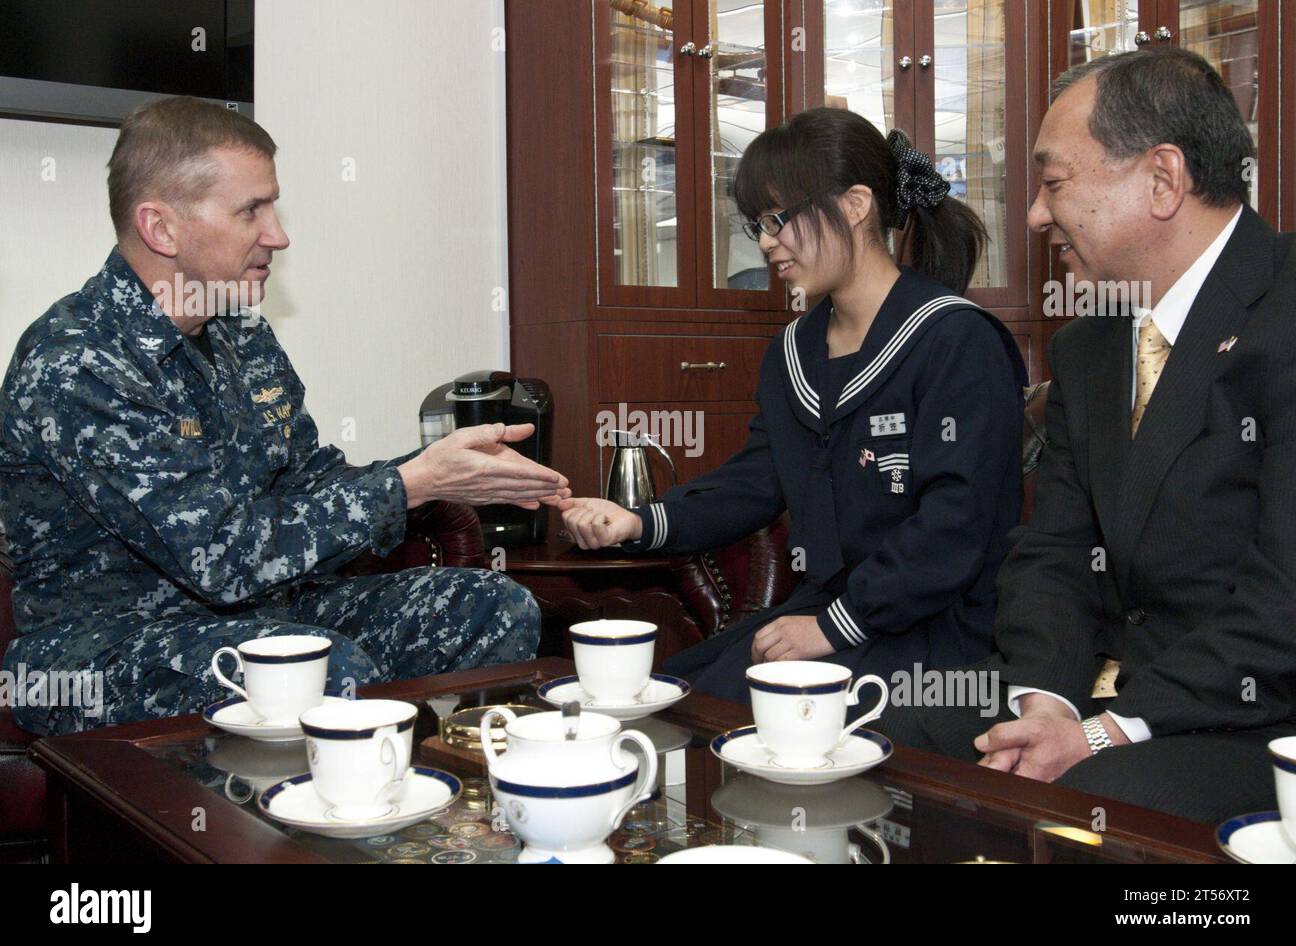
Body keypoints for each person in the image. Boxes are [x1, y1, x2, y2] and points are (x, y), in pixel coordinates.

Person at [0, 97, 570, 735]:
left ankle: (438, 804)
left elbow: (306, 482)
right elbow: (221, 555)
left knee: (492, 608)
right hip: (100, 651)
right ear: (161, 228)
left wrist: (437, 468)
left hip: (261, 614)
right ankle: (325, 825)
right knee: (312, 673)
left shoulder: (240, 331)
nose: (278, 234)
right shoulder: (78, 362)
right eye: (251, 210)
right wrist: (416, 483)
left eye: (272, 205)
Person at [873, 47, 1296, 823]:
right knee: (892, 738)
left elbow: (1287, 602)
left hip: (1259, 715)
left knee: (1092, 808)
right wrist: (1045, 704)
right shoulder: (1090, 344)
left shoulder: (1289, 306)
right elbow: (1054, 553)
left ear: (1163, 179)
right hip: (1098, 695)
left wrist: (1104, 733)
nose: (1035, 214)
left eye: (1054, 182)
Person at [560, 107, 1027, 706]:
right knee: (673, 701)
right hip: (829, 614)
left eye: (778, 219)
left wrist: (833, 628)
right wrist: (641, 521)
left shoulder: (956, 340)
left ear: (857, 205)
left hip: (937, 636)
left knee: (731, 720)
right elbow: (758, 480)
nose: (764, 242)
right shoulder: (793, 350)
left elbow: (956, 526)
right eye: (757, 222)